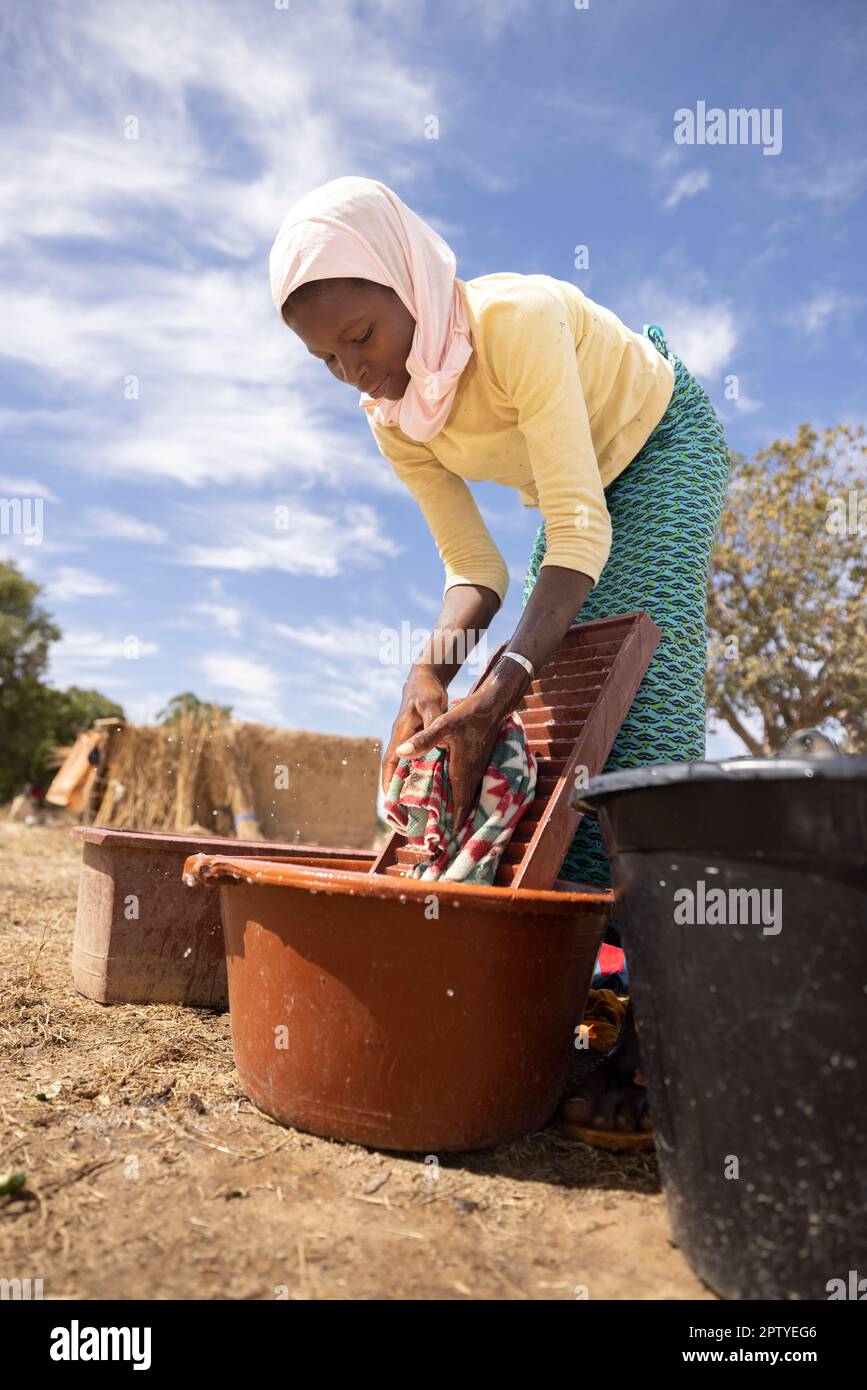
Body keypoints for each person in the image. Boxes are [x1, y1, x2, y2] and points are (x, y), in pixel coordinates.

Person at [269, 175, 731, 1135]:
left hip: (655, 441)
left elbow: (576, 528)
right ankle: (578, 1004)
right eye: (325, 359)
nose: (352, 369)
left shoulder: (512, 322)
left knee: (635, 711)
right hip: (579, 506)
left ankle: (663, 1050)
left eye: (361, 336)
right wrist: (430, 670)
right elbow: (472, 569)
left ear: (412, 287)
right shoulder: (392, 415)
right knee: (560, 744)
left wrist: (504, 679)